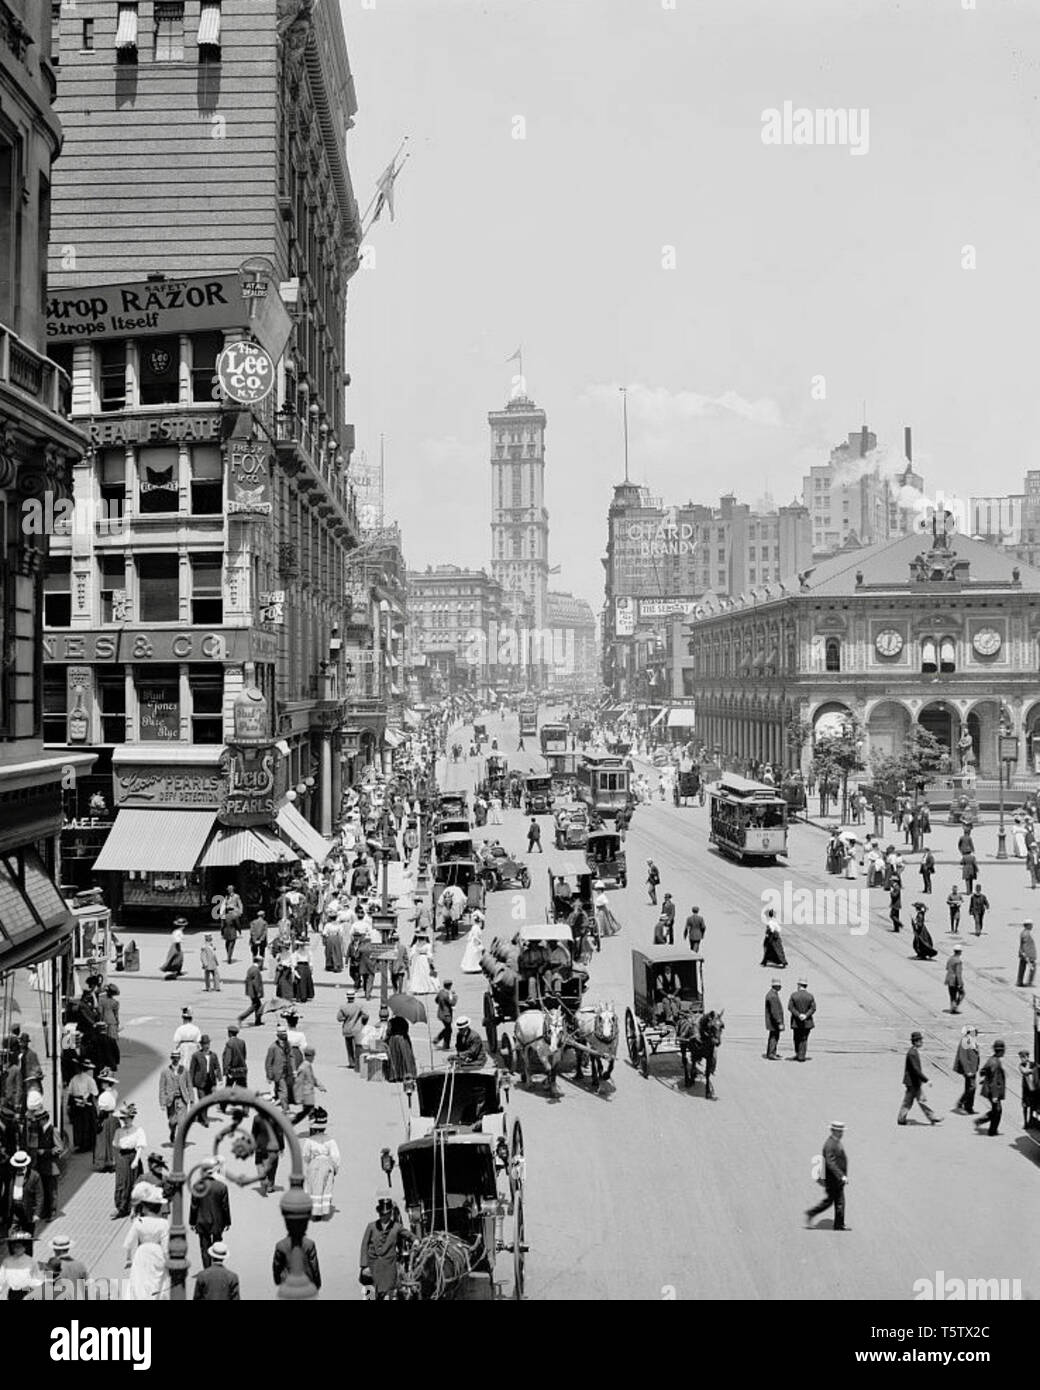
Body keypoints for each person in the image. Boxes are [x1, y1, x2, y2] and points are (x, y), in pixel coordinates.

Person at [359, 1194, 406, 1300]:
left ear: (390, 1214)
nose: (383, 1216)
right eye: (381, 1214)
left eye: (385, 1214)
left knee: (387, 1291)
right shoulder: (371, 1226)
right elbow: (364, 1245)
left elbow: (406, 1237)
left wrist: (415, 1241)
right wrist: (364, 1265)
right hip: (371, 1265)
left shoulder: (396, 1227)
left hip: (387, 1267)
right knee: (369, 1291)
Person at [805, 1122, 849, 1231]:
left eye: (842, 1131)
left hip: (836, 1178)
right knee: (833, 1201)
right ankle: (812, 1213)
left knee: (838, 1201)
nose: (841, 1133)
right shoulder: (829, 1144)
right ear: (833, 1131)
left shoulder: (836, 1142)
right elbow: (830, 1163)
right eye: (839, 1131)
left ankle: (839, 1224)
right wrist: (841, 1176)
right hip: (832, 1179)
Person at [189, 1159, 231, 1268]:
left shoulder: (197, 1186)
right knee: (217, 1244)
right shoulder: (222, 1187)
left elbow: (194, 1206)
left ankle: (207, 1268)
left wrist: (192, 1222)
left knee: (204, 1247)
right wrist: (227, 1222)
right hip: (218, 1221)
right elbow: (225, 1207)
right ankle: (217, 1266)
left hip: (202, 1220)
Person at [301, 1109, 340, 1220]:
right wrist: (335, 1168)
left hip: (314, 1163)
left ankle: (315, 1210)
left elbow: (305, 1154)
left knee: (313, 1187)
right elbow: (335, 1156)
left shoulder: (310, 1140)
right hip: (327, 1164)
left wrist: (310, 1163)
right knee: (326, 1187)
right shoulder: (330, 1140)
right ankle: (323, 1210)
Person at [898, 1031, 943, 1125]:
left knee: (916, 1100)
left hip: (914, 1082)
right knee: (910, 1101)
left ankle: (932, 1117)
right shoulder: (912, 1053)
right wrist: (926, 1080)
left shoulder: (913, 1051)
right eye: (920, 1041)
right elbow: (915, 1069)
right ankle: (902, 1119)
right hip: (912, 1082)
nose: (922, 1042)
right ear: (915, 1042)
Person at [111, 1105, 147, 1219]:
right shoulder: (119, 1131)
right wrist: (115, 1158)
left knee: (133, 1182)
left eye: (126, 1119)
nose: (124, 1121)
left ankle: (133, 1208)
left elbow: (140, 1146)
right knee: (121, 1182)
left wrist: (136, 1160)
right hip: (122, 1157)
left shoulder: (138, 1130)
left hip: (132, 1156)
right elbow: (115, 1144)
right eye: (122, 1119)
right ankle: (121, 1207)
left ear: (132, 1118)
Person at [3, 1152, 43, 1234]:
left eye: (20, 1166)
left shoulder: (35, 1176)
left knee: (28, 1237)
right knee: (11, 1235)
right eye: (17, 1166)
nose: (18, 1168)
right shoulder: (11, 1174)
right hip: (14, 1210)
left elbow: (40, 1196)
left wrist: (37, 1214)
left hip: (28, 1211)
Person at [158, 1049, 191, 1146]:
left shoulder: (184, 1070)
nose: (175, 1059)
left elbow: (189, 1084)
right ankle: (172, 1132)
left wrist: (192, 1099)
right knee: (172, 1122)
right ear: (171, 1058)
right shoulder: (165, 1072)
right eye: (174, 1057)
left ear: (179, 1058)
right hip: (171, 1101)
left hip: (182, 1099)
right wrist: (162, 1103)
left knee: (182, 1122)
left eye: (177, 1057)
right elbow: (162, 1088)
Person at [975, 1039, 1007, 1136]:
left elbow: (983, 1071)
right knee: (997, 1110)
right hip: (993, 1091)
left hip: (989, 1089)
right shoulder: (995, 1063)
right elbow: (994, 1080)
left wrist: (985, 1077)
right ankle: (992, 1130)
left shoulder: (992, 1059)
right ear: (1001, 1051)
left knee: (996, 1110)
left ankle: (987, 1125)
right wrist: (995, 1095)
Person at [189, 1035, 222, 1126]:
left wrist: (220, 1078)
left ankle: (201, 1116)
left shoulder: (213, 1055)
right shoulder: (196, 1055)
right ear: (201, 1045)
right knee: (202, 1100)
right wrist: (190, 1083)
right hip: (200, 1081)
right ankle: (205, 1119)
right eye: (204, 1044)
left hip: (210, 1081)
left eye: (208, 1043)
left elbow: (217, 1067)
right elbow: (192, 1069)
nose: (206, 1045)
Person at [67, 1060, 99, 1153]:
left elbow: (70, 1092)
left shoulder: (74, 1078)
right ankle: (88, 1144)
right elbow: (94, 1092)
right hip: (86, 1103)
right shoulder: (90, 1079)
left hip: (77, 1104)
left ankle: (80, 1144)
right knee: (87, 1125)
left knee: (79, 1125)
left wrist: (70, 1105)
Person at [0, 1232, 40, 1300]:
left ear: (24, 1247)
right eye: (14, 1246)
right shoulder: (7, 1261)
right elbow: (1, 1278)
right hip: (13, 1293)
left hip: (27, 1291)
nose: (16, 1249)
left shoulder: (31, 1261)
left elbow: (36, 1277)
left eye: (19, 1246)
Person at [265, 1024, 295, 1111]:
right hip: (278, 1073)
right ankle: (286, 1109)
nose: (284, 1034)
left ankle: (280, 1106)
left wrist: (294, 1070)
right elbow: (268, 1062)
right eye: (282, 1033)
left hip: (287, 1072)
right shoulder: (273, 1047)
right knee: (283, 1091)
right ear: (278, 1035)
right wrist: (269, 1075)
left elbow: (292, 1056)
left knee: (282, 1090)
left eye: (285, 1032)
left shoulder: (288, 1044)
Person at [336, 987, 368, 1069]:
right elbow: (366, 1015)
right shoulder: (359, 1006)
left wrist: (346, 1018)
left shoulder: (343, 1007)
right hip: (357, 1029)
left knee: (349, 1047)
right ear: (354, 997)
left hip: (347, 1029)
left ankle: (351, 1062)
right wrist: (363, 1022)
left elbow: (339, 1018)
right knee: (358, 1046)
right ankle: (358, 1062)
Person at [293, 1047, 327, 1125]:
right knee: (309, 1113)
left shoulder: (307, 1065)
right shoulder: (303, 1067)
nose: (313, 1059)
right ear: (309, 1056)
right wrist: (298, 1097)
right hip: (306, 1094)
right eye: (313, 1057)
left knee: (308, 1112)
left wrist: (320, 1086)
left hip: (309, 1093)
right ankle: (291, 1123)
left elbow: (312, 1078)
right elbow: (298, 1083)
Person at [953, 1025, 979, 1114]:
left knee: (970, 1087)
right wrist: (967, 1071)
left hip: (973, 1069)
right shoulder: (965, 1041)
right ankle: (960, 1103)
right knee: (972, 1087)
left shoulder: (972, 1041)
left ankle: (969, 1107)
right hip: (968, 1070)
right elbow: (963, 1057)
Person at [788, 978, 816, 1062]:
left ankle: (798, 1053)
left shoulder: (794, 995)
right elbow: (813, 1008)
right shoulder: (810, 996)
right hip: (807, 1022)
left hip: (796, 1022)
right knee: (804, 1039)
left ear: (799, 985)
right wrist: (806, 1015)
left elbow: (790, 1007)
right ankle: (802, 1055)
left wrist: (798, 1015)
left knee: (796, 1038)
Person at [93, 1090, 119, 1173]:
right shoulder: (114, 1093)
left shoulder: (103, 1096)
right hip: (113, 1118)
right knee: (112, 1140)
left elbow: (101, 1107)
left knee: (102, 1141)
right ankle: (112, 1162)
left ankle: (102, 1163)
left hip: (104, 1118)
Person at [385, 1017, 417, 1083]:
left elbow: (388, 1032)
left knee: (394, 1058)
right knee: (405, 1058)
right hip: (403, 1040)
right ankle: (408, 1074)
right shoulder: (404, 1021)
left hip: (393, 1040)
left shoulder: (391, 1021)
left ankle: (395, 1076)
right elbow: (406, 1030)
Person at [239, 959, 265, 1027]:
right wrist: (258, 991)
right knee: (255, 1006)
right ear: (259, 962)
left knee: (258, 1006)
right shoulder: (256, 970)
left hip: (251, 991)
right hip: (254, 992)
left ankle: (258, 1021)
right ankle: (242, 1017)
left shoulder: (250, 968)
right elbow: (256, 982)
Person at [221, 887, 244, 964]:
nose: (228, 891)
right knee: (229, 942)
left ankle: (229, 956)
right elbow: (224, 905)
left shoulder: (236, 896)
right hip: (228, 913)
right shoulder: (226, 897)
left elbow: (240, 904)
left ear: (232, 890)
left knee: (229, 942)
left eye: (229, 890)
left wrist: (240, 911)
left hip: (234, 912)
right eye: (228, 890)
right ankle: (229, 955)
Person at [222, 1024, 248, 1090]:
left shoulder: (229, 1043)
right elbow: (244, 1055)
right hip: (242, 1069)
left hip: (233, 1070)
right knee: (242, 1090)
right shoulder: (242, 1042)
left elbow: (227, 1058)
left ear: (229, 1033)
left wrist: (226, 1070)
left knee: (228, 1089)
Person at [434, 979, 457, 1050]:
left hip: (441, 1013)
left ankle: (439, 1040)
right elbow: (452, 1003)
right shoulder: (446, 995)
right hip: (446, 1014)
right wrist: (454, 996)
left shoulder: (441, 992)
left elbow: (436, 1000)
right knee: (449, 1030)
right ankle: (445, 1044)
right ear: (449, 986)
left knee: (448, 1029)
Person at [764, 979, 784, 1060]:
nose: (781, 987)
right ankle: (771, 1053)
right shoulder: (772, 996)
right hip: (774, 1022)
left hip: (772, 1021)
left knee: (773, 1036)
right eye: (779, 986)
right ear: (776, 986)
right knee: (774, 1037)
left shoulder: (772, 994)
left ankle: (772, 1052)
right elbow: (775, 1011)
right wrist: (779, 1022)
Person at [944, 944, 965, 1013]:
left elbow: (947, 967)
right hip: (955, 980)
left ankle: (953, 1007)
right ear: (959, 952)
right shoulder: (958, 961)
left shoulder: (950, 959)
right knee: (962, 993)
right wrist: (960, 983)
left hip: (949, 978)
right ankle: (955, 1006)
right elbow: (958, 973)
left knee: (952, 995)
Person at [1017, 919, 1037, 987]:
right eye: (1031, 925)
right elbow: (1026, 945)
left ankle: (1019, 982)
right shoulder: (1026, 934)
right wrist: (1027, 956)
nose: (1032, 926)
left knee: (1022, 968)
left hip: (1023, 953)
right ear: (1028, 925)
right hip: (1028, 955)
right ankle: (1029, 982)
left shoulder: (1023, 932)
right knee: (1033, 968)